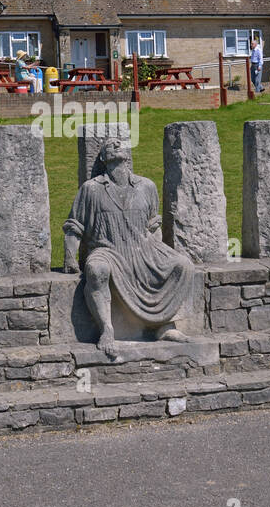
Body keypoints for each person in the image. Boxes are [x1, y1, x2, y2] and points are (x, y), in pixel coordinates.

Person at [63, 137, 198, 360]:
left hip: (143, 247)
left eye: (119, 144)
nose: (115, 146)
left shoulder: (146, 186)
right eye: (109, 145)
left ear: (128, 155)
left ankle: (165, 325)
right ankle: (107, 329)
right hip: (107, 249)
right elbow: (74, 226)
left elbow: (153, 226)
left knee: (182, 265)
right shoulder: (91, 189)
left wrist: (159, 252)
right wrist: (70, 257)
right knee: (97, 271)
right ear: (103, 157)